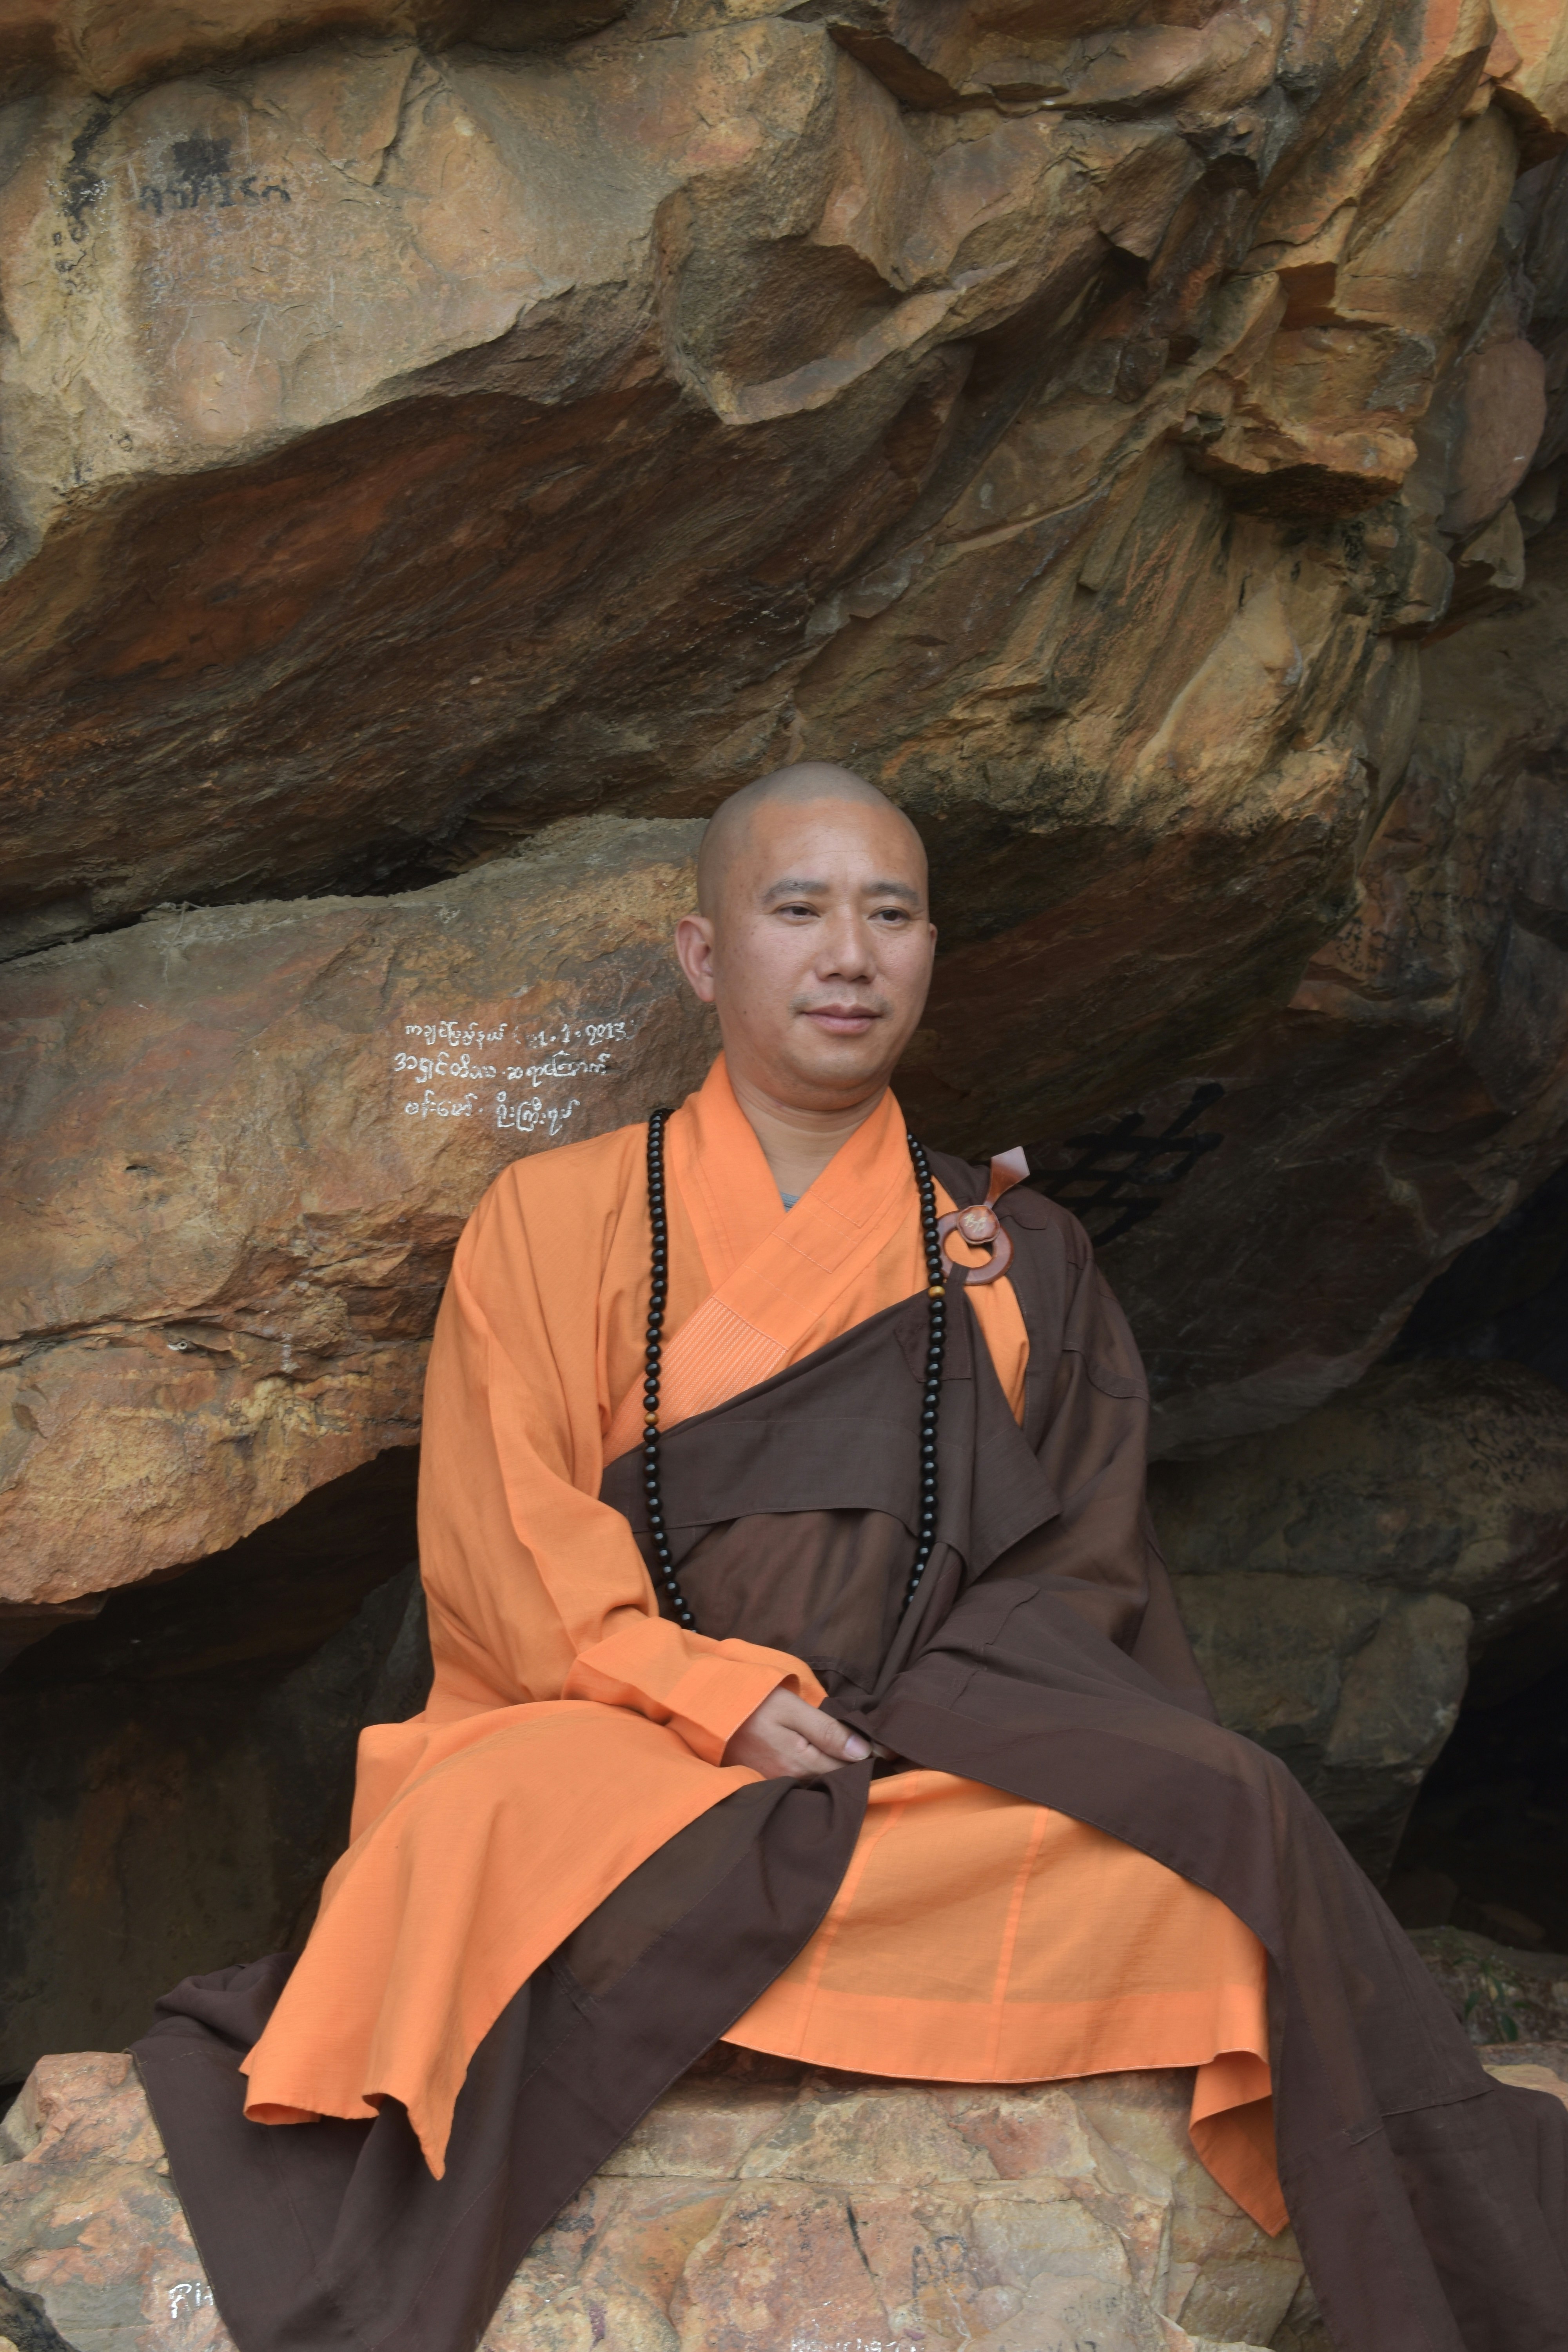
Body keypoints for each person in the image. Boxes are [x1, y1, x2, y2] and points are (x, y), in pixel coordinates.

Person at [137, 765, 1568, 2352]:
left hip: (916, 1762)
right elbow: (508, 1543)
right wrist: (714, 1698)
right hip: (632, 1752)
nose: (847, 954)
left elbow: (1077, 1567)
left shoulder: (1019, 1252)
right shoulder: (556, 1218)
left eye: (889, 915)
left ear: (931, 956)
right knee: (479, 1813)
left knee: (1224, 1841)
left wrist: (907, 1725)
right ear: (703, 957)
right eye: (798, 908)